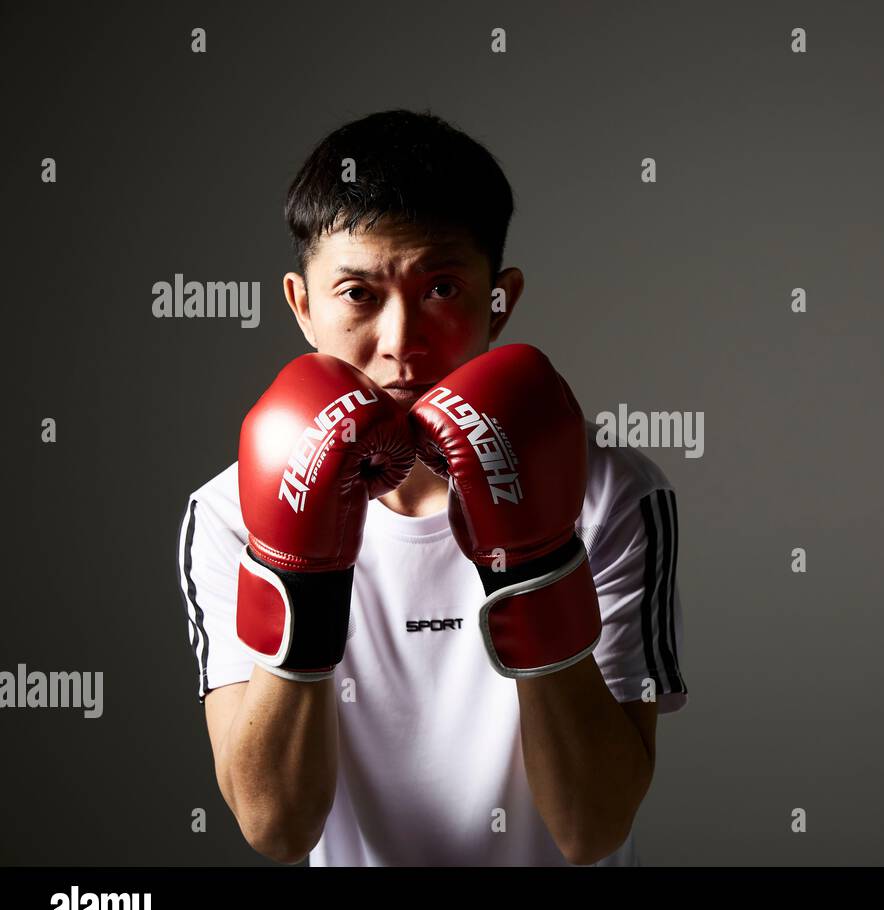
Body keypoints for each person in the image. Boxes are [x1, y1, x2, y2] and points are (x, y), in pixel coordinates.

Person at [175, 109, 686, 866]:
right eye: (357, 292)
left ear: (499, 298)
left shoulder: (611, 494)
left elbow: (593, 828)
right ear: (301, 304)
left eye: (442, 286)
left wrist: (535, 559)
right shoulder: (228, 514)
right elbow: (276, 828)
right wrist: (298, 566)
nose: (401, 341)